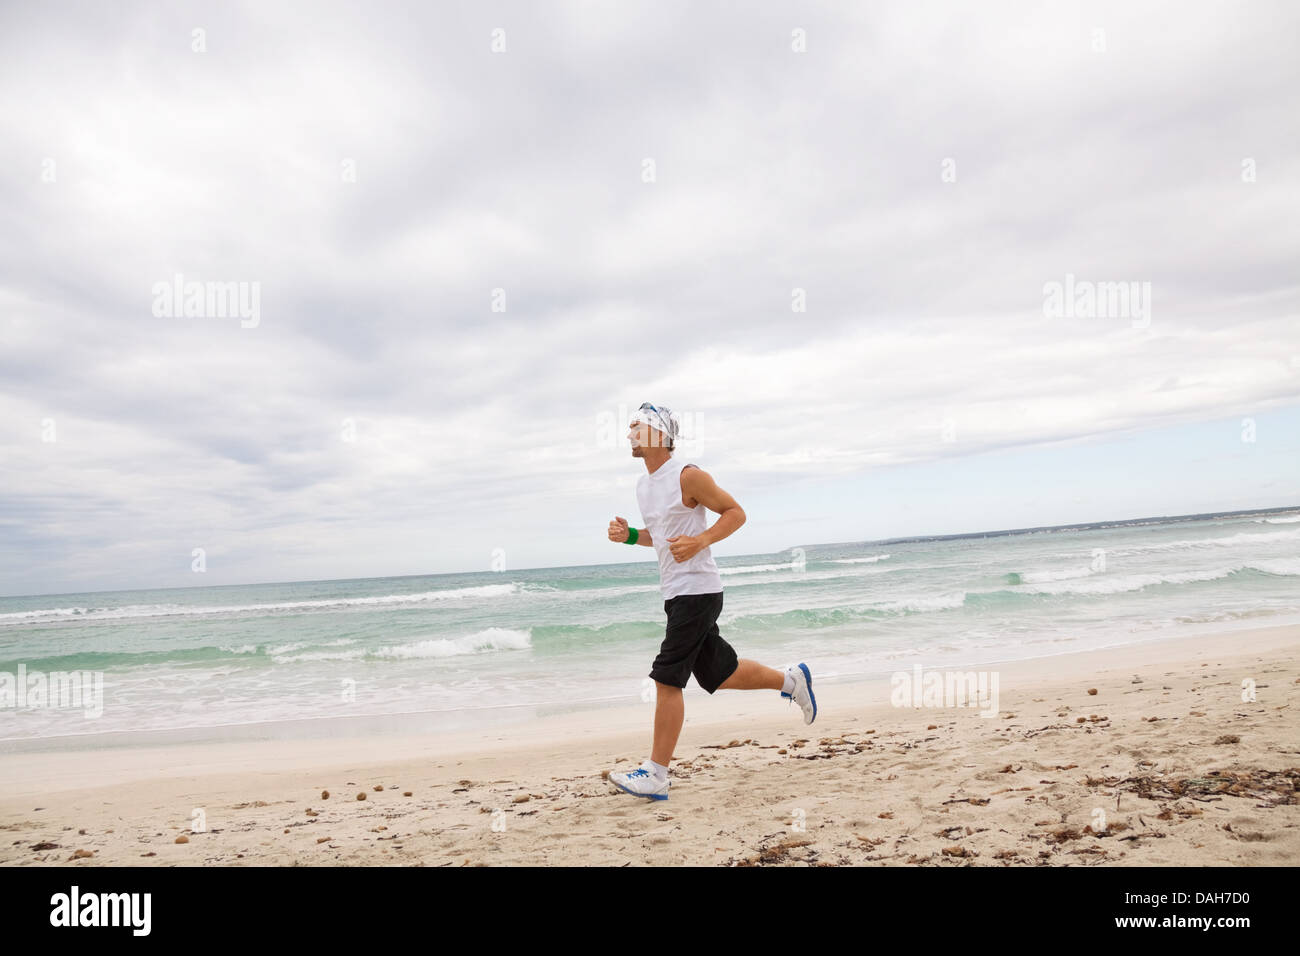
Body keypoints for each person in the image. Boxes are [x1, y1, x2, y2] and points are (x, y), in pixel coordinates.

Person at [605, 402, 816, 801]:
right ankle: (793, 680)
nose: (629, 433)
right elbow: (661, 535)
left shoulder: (689, 475)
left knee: (667, 677)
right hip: (675, 592)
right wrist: (630, 536)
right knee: (721, 672)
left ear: (659, 434)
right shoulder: (643, 484)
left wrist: (701, 540)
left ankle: (656, 774)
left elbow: (736, 513)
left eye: (637, 426)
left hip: (697, 590)